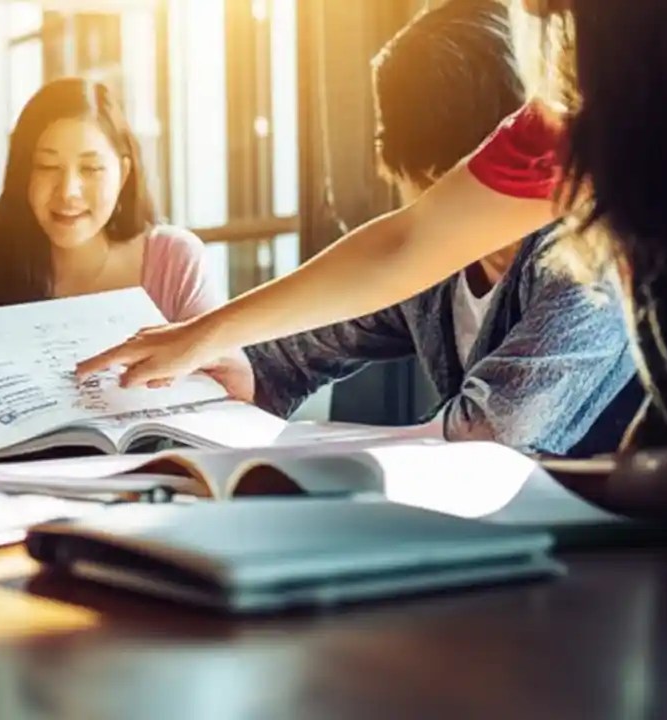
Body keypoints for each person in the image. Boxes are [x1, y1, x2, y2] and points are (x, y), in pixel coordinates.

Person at [78, 0, 571, 390]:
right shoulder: (548, 127)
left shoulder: (576, 256)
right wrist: (210, 345)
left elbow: (499, 430)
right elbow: (401, 245)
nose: (529, 9)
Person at [243, 0, 638, 456]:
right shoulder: (432, 271)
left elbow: (493, 434)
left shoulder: (587, 255)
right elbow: (293, 349)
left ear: (434, 174)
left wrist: (311, 450)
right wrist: (233, 367)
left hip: (616, 522)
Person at [0, 77, 220, 323]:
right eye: (47, 167)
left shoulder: (173, 260)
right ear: (24, 173)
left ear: (122, 173)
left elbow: (229, 377)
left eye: (91, 169)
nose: (68, 191)